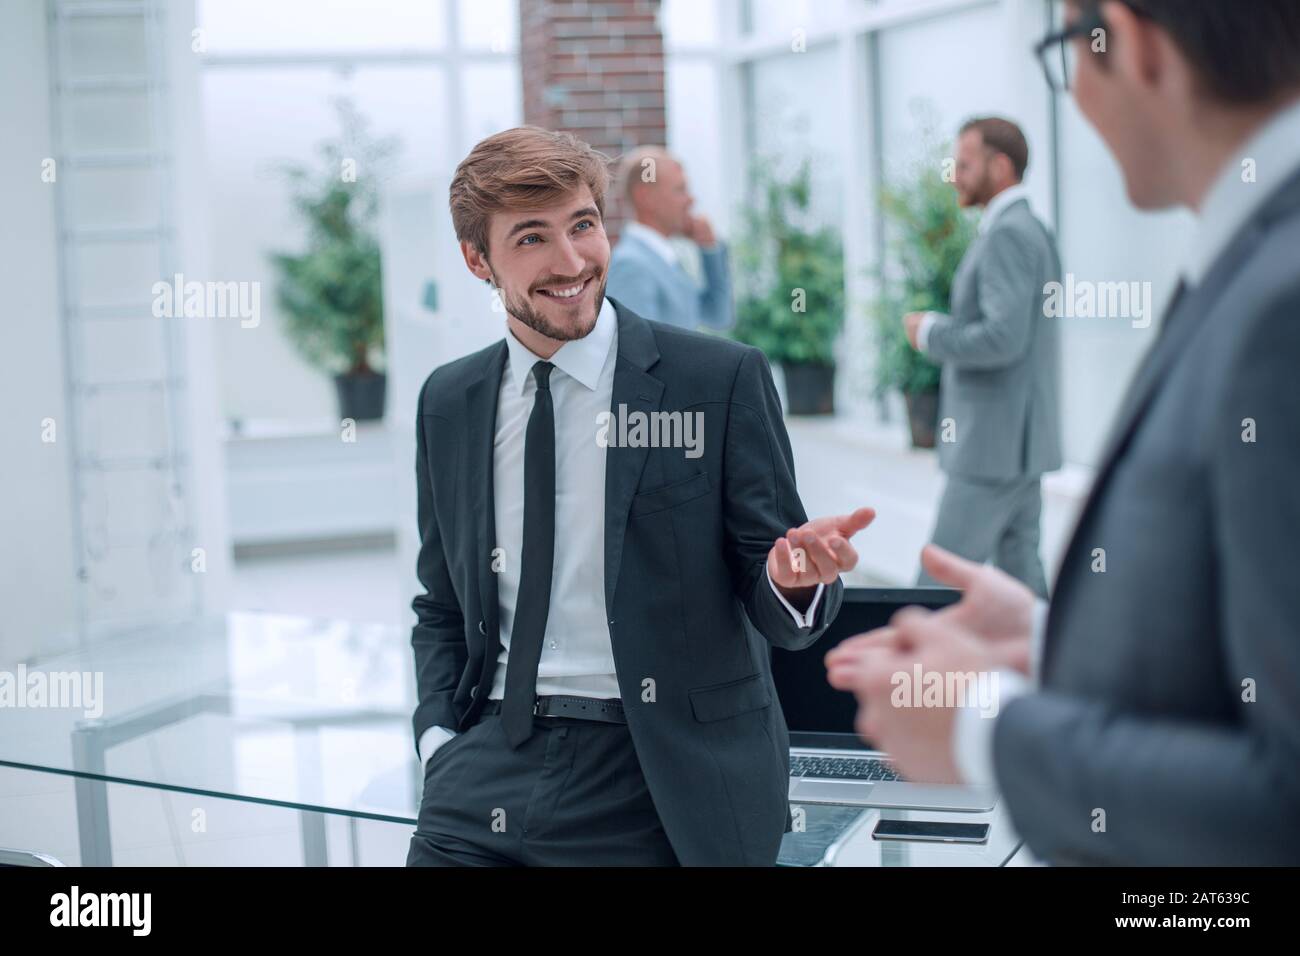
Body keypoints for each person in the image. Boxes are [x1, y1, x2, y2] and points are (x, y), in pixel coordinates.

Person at [827, 0, 1300, 865]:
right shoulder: (1251, 258)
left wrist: (980, 726)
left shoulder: (1281, 301)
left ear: (1138, 46)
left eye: (1065, 53)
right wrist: (1062, 646)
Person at [407, 126, 874, 866]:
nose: (571, 263)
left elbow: (776, 601)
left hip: (658, 772)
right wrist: (439, 738)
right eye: (532, 239)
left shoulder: (716, 381)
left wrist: (790, 582)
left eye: (583, 226)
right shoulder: (450, 401)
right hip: (486, 765)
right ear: (477, 260)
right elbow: (439, 601)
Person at [907, 117, 1062, 599]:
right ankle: (1052, 673)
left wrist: (930, 332)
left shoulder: (1007, 235)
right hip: (1017, 447)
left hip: (989, 451)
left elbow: (1003, 338)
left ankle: (906, 676)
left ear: (1001, 166)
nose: (954, 174)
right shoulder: (1032, 229)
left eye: (964, 164)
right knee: (1023, 586)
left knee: (937, 584)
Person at [606, 146, 734, 331]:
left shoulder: (663, 260)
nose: (691, 200)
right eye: (680, 190)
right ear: (645, 197)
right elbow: (637, 352)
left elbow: (718, 316)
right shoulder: (631, 265)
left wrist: (709, 248)